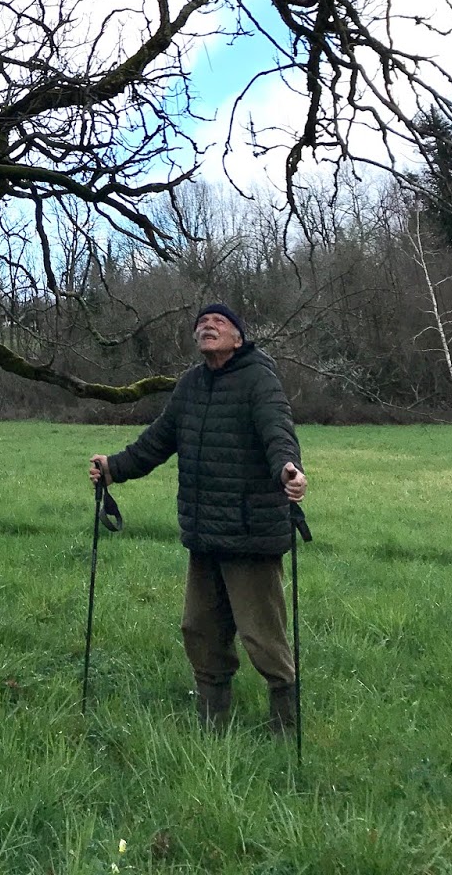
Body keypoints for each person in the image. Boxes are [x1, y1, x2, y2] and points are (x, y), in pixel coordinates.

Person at [89, 303, 307, 735]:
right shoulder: (189, 385)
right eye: (201, 323)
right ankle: (212, 721)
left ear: (238, 338)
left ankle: (285, 724)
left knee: (262, 634)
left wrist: (289, 469)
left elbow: (276, 430)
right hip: (204, 532)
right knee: (200, 629)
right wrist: (113, 467)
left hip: (250, 531)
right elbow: (157, 441)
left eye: (219, 322)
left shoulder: (259, 378)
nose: (207, 326)